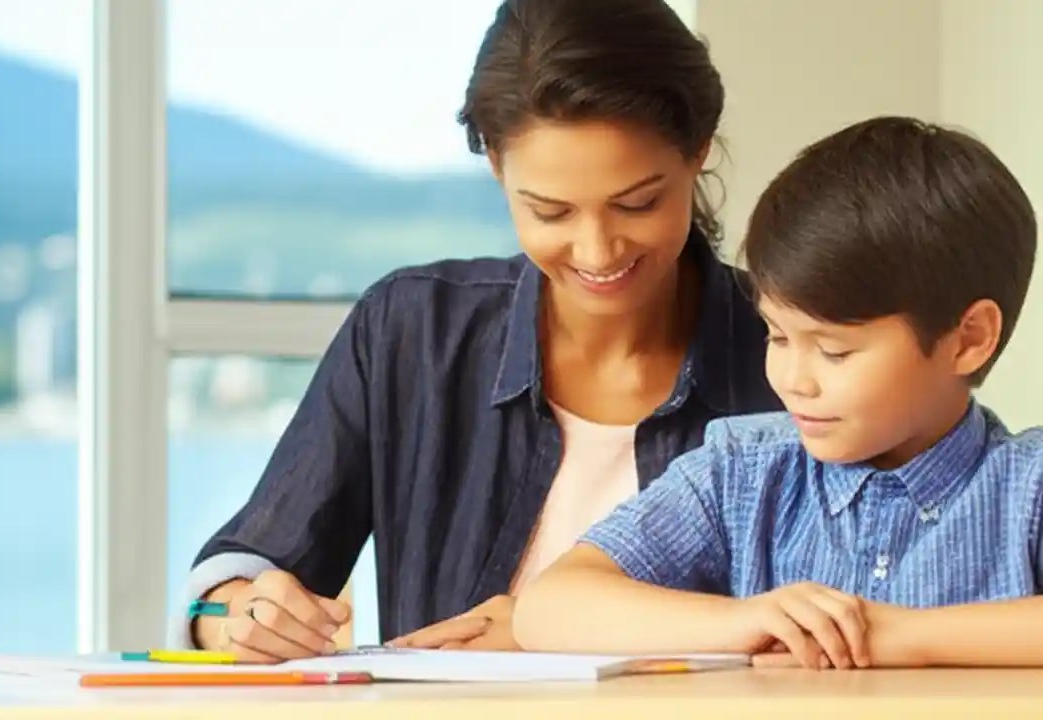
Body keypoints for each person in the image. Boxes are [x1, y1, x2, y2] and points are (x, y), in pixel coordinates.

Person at [170, 0, 780, 662]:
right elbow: (243, 572)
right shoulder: (411, 332)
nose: (598, 250)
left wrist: (551, 625)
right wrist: (235, 617)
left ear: (698, 151)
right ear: (495, 164)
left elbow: (845, 627)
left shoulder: (798, 358)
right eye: (550, 211)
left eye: (637, 203)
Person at [513, 116, 1043, 670]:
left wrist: (896, 638)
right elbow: (549, 607)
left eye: (835, 351)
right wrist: (747, 621)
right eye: (778, 336)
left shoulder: (1026, 485)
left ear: (970, 339)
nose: (794, 379)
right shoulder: (742, 472)